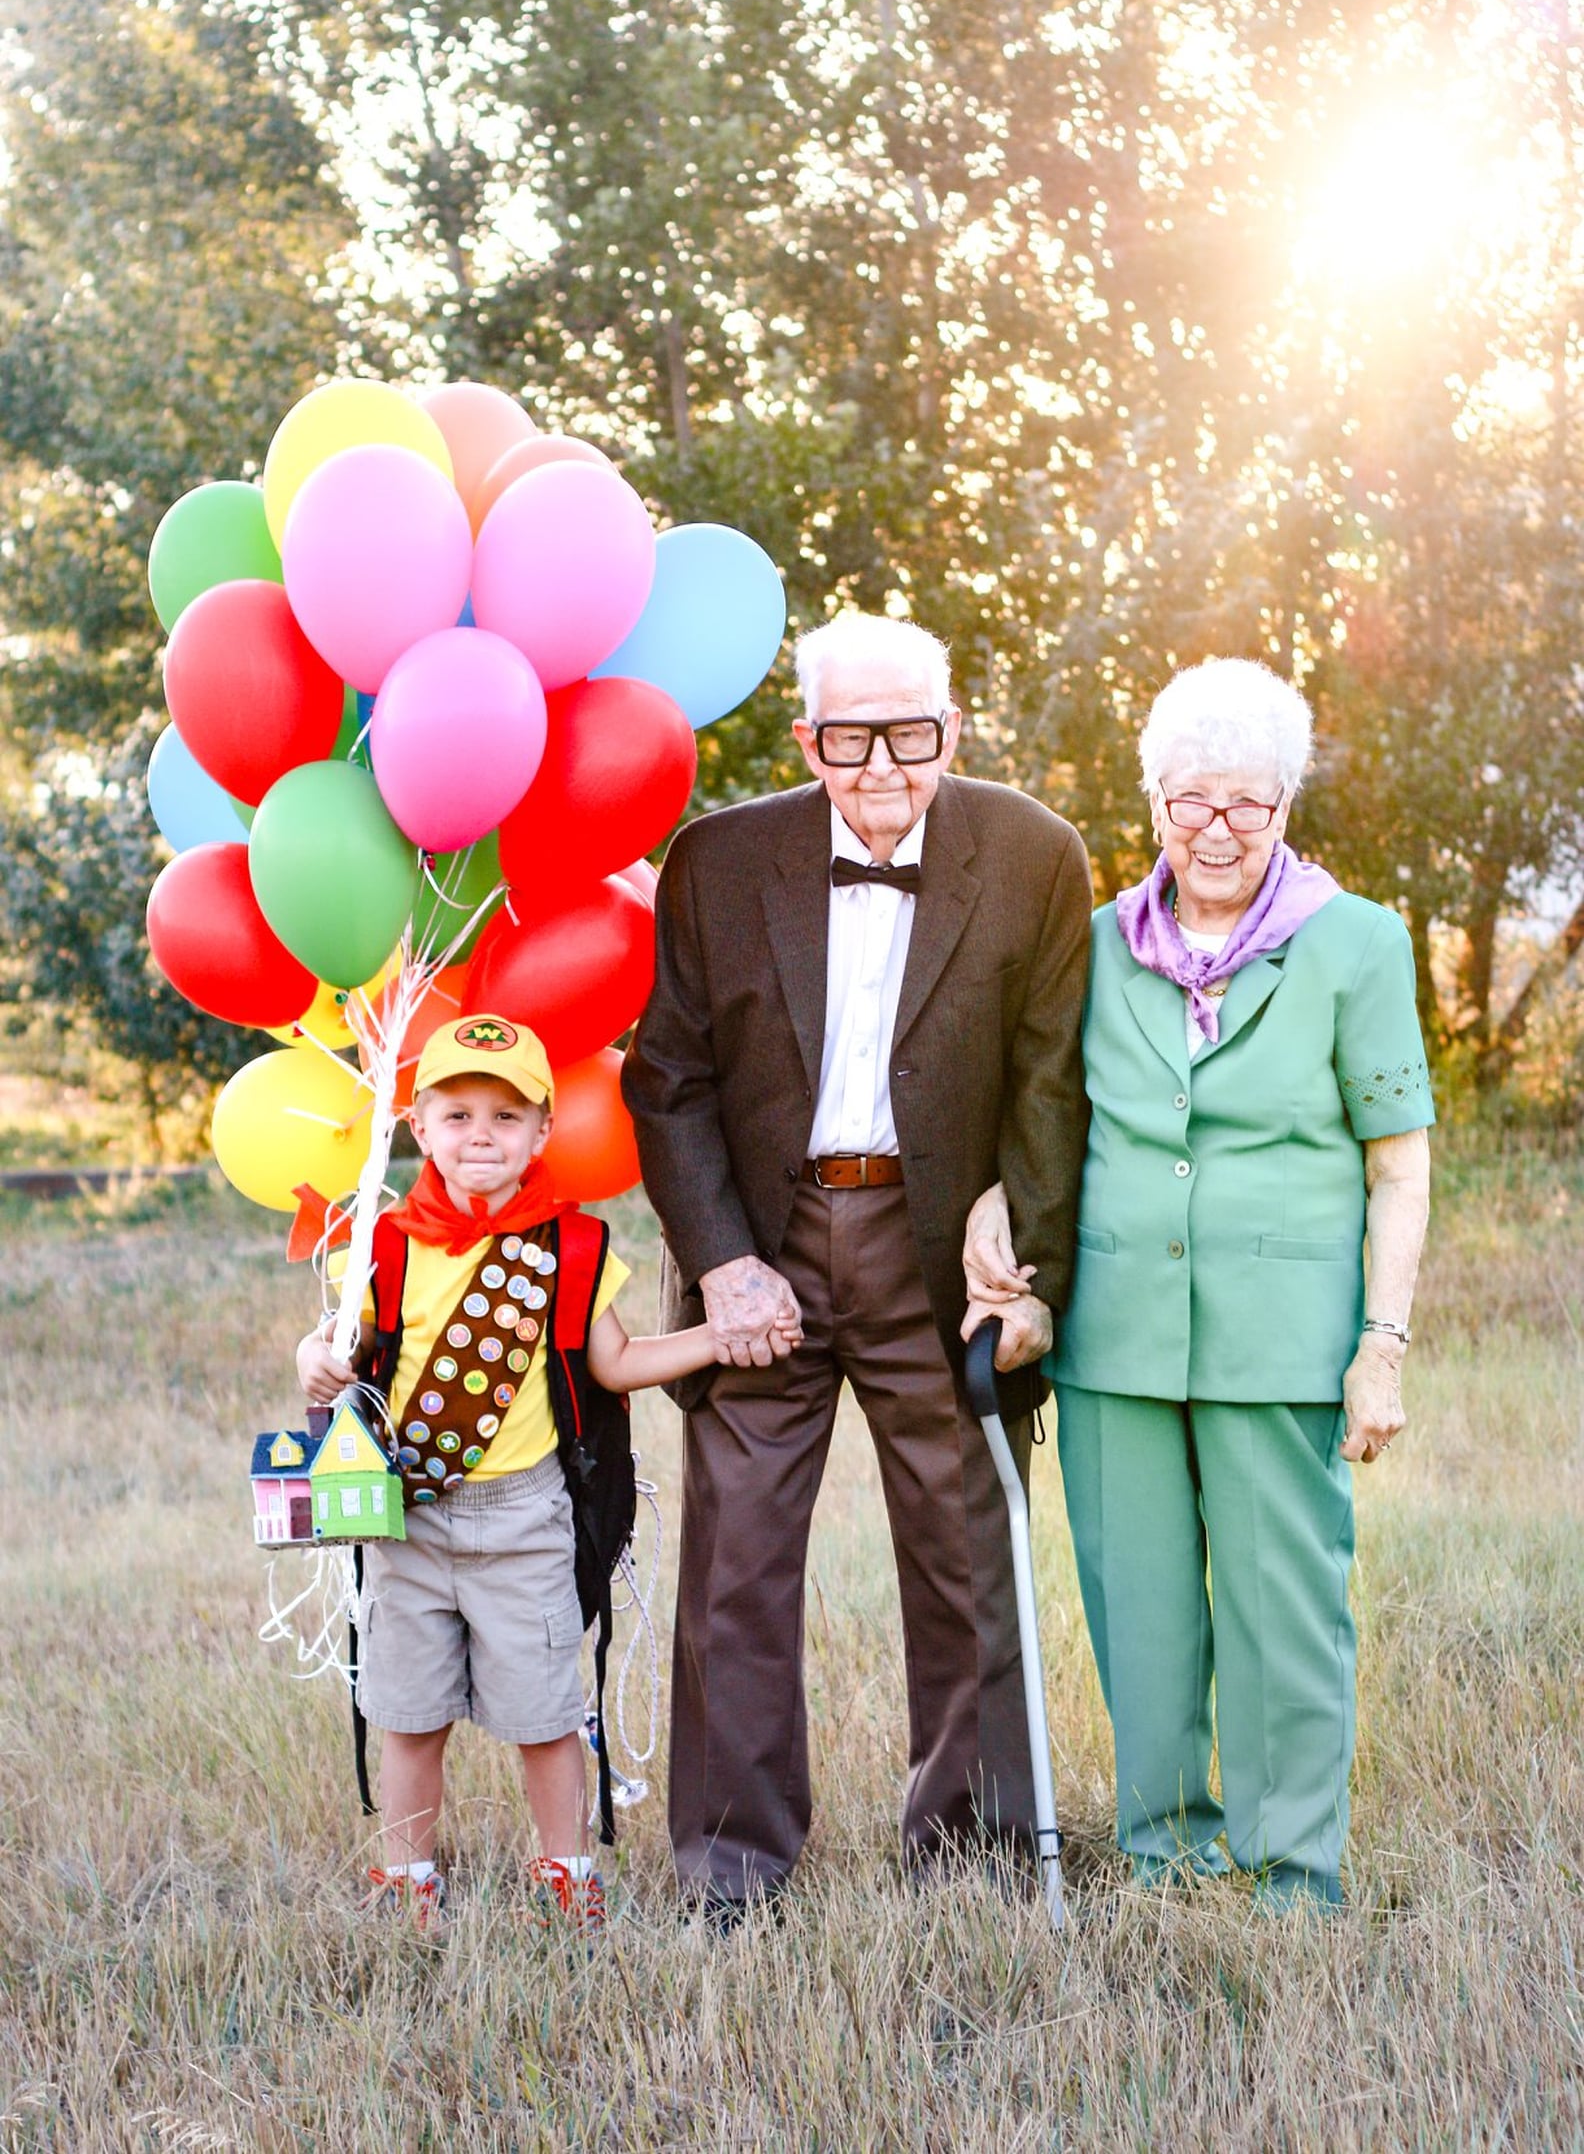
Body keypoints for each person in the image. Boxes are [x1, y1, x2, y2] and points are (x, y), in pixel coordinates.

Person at [621, 610, 1093, 1921]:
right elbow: (667, 1081)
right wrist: (719, 1264)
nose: (884, 766)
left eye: (914, 734)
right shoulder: (717, 860)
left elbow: (1055, 1080)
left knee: (963, 1548)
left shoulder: (1036, 853)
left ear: (953, 726)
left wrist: (1025, 1251)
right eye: (850, 736)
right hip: (763, 1251)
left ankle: (978, 1853)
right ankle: (734, 1867)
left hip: (940, 1248)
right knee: (738, 1561)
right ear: (805, 736)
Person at [966, 656, 1432, 1910]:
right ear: (1155, 801)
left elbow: (1399, 1168)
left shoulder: (1358, 944)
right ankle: (1168, 1851)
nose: (1217, 829)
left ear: (1286, 806)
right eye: (1192, 801)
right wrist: (996, 1207)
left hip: (1280, 1340)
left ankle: (1292, 1869)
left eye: (1248, 804)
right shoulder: (1101, 943)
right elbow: (1045, 1109)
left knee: (1287, 1615)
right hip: (1113, 1334)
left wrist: (1380, 1342)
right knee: (1143, 1613)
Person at [294, 1012, 783, 1933]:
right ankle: (408, 1877)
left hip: (527, 1519)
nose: (482, 1135)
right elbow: (342, 1350)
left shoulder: (576, 1248)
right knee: (408, 1710)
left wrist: (717, 1337)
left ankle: (566, 1871)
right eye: (459, 1115)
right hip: (411, 1518)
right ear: (418, 1126)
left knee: (547, 1715)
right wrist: (309, 1360)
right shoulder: (386, 1244)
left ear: (544, 1131)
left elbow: (615, 1362)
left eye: (508, 1116)